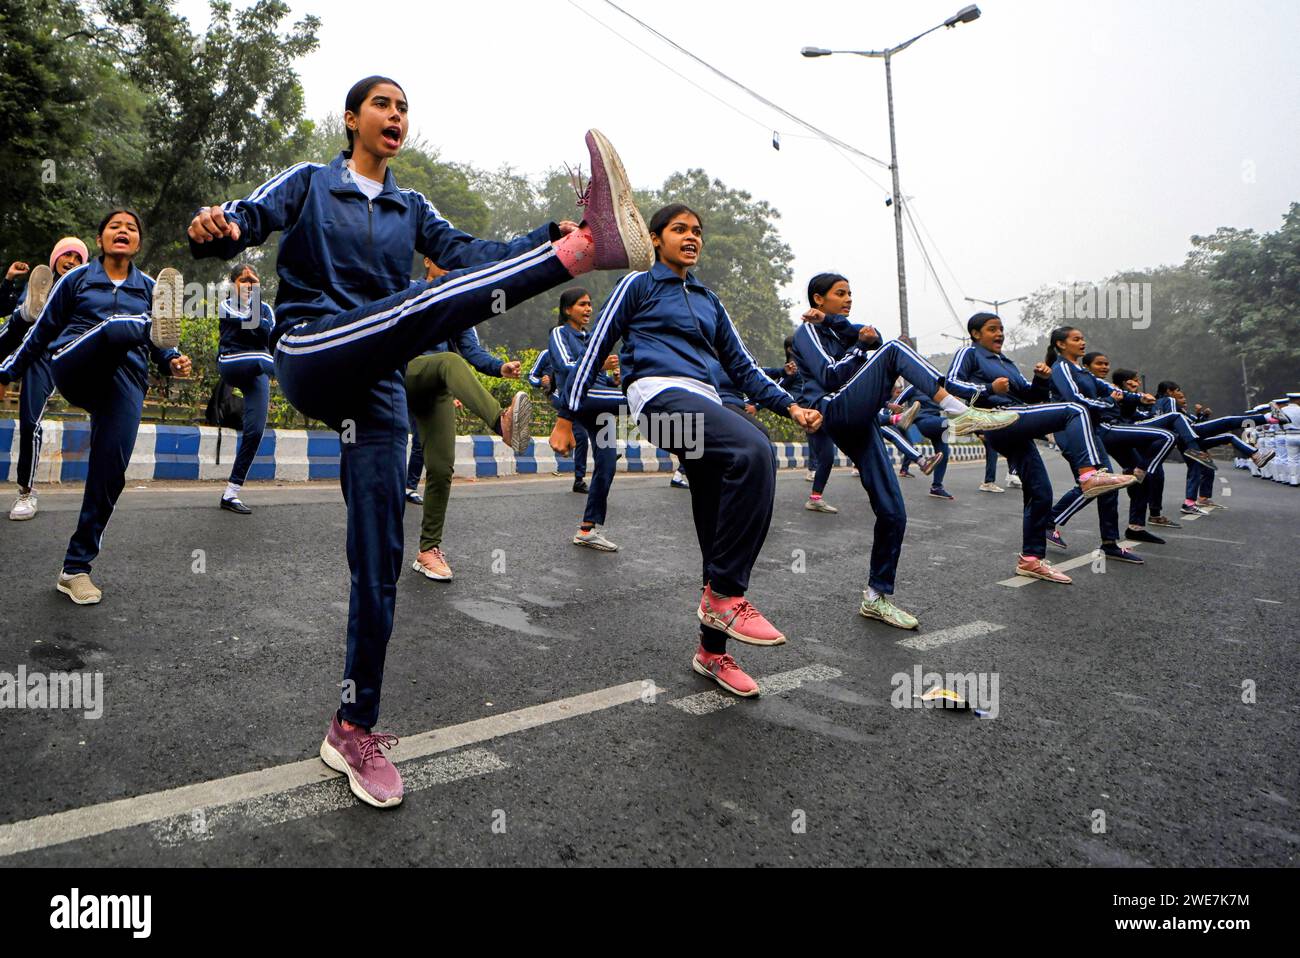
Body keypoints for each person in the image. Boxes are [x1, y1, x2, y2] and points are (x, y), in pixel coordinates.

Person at [189, 75, 652, 808]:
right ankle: (592, 247)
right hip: (314, 347)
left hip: (375, 383)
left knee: (379, 561)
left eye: (405, 108)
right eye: (383, 104)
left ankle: (352, 726)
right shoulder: (312, 183)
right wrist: (215, 230)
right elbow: (245, 219)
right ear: (352, 120)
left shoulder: (412, 207)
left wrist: (542, 236)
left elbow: (468, 252)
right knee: (425, 306)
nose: (396, 115)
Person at [551, 204, 822, 696]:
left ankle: (712, 652)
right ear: (656, 239)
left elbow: (742, 369)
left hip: (703, 405)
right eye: (679, 230)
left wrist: (790, 407)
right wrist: (567, 414)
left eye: (697, 231)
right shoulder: (638, 286)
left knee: (717, 525)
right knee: (754, 451)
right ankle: (725, 595)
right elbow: (595, 348)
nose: (691, 237)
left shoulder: (709, 301)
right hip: (658, 398)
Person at [793, 278, 1019, 627]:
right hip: (832, 408)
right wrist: (859, 347)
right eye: (840, 294)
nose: (849, 299)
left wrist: (845, 329)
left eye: (851, 293)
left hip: (862, 419)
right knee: (894, 352)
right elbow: (830, 375)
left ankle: (875, 597)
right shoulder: (806, 332)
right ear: (817, 299)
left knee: (893, 512)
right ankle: (960, 409)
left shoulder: (837, 327)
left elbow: (872, 336)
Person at [0, 210, 192, 602]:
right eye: (114, 226)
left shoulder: (153, 287)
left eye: (131, 228)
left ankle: (75, 569)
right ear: (101, 238)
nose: (123, 231)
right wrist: (6, 373)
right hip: (76, 360)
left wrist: (171, 358)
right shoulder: (76, 278)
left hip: (126, 380)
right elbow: (42, 333)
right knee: (113, 327)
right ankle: (135, 325)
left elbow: (162, 346)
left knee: (111, 472)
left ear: (138, 242)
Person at [946, 313, 1128, 582]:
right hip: (995, 418)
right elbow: (950, 382)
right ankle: (1089, 474)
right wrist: (988, 388)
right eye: (992, 329)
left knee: (1040, 491)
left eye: (1001, 329)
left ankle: (1031, 559)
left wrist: (1041, 380)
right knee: (1074, 409)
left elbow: (1031, 396)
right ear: (975, 334)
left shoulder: (1006, 363)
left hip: (1016, 422)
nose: (999, 334)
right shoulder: (969, 353)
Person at [0, 237, 89, 519]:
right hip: (15, 343)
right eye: (67, 256)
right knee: (18, 319)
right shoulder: (38, 284)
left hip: (43, 357)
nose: (72, 261)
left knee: (30, 422)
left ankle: (26, 493)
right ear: (55, 260)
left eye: (78, 259)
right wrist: (9, 280)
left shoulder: (81, 296)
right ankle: (29, 312)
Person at [1043, 326, 1144, 563]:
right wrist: (1108, 403)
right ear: (1061, 344)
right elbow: (1073, 400)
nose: (1082, 342)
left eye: (1083, 338)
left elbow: (1112, 390)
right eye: (1076, 339)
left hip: (1090, 433)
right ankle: (1047, 521)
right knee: (1094, 484)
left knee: (1106, 484)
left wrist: (1140, 398)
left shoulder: (1083, 372)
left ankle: (1109, 542)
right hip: (1071, 432)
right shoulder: (1062, 368)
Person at [547, 287, 625, 550]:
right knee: (637, 401)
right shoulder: (559, 334)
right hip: (579, 398)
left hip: (600, 403)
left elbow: (601, 379)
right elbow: (567, 367)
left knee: (607, 463)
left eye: (590, 304)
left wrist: (613, 379)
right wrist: (598, 365)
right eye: (582, 304)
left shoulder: (593, 338)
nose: (588, 309)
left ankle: (587, 529)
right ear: (567, 309)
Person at [215, 263, 275, 514]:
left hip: (259, 369)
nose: (250, 285)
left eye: (254, 281)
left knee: (255, 430)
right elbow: (255, 326)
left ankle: (231, 493)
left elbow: (271, 332)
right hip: (232, 361)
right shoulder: (226, 304)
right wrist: (260, 329)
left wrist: (260, 328)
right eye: (244, 280)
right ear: (233, 285)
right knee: (270, 361)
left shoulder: (267, 308)